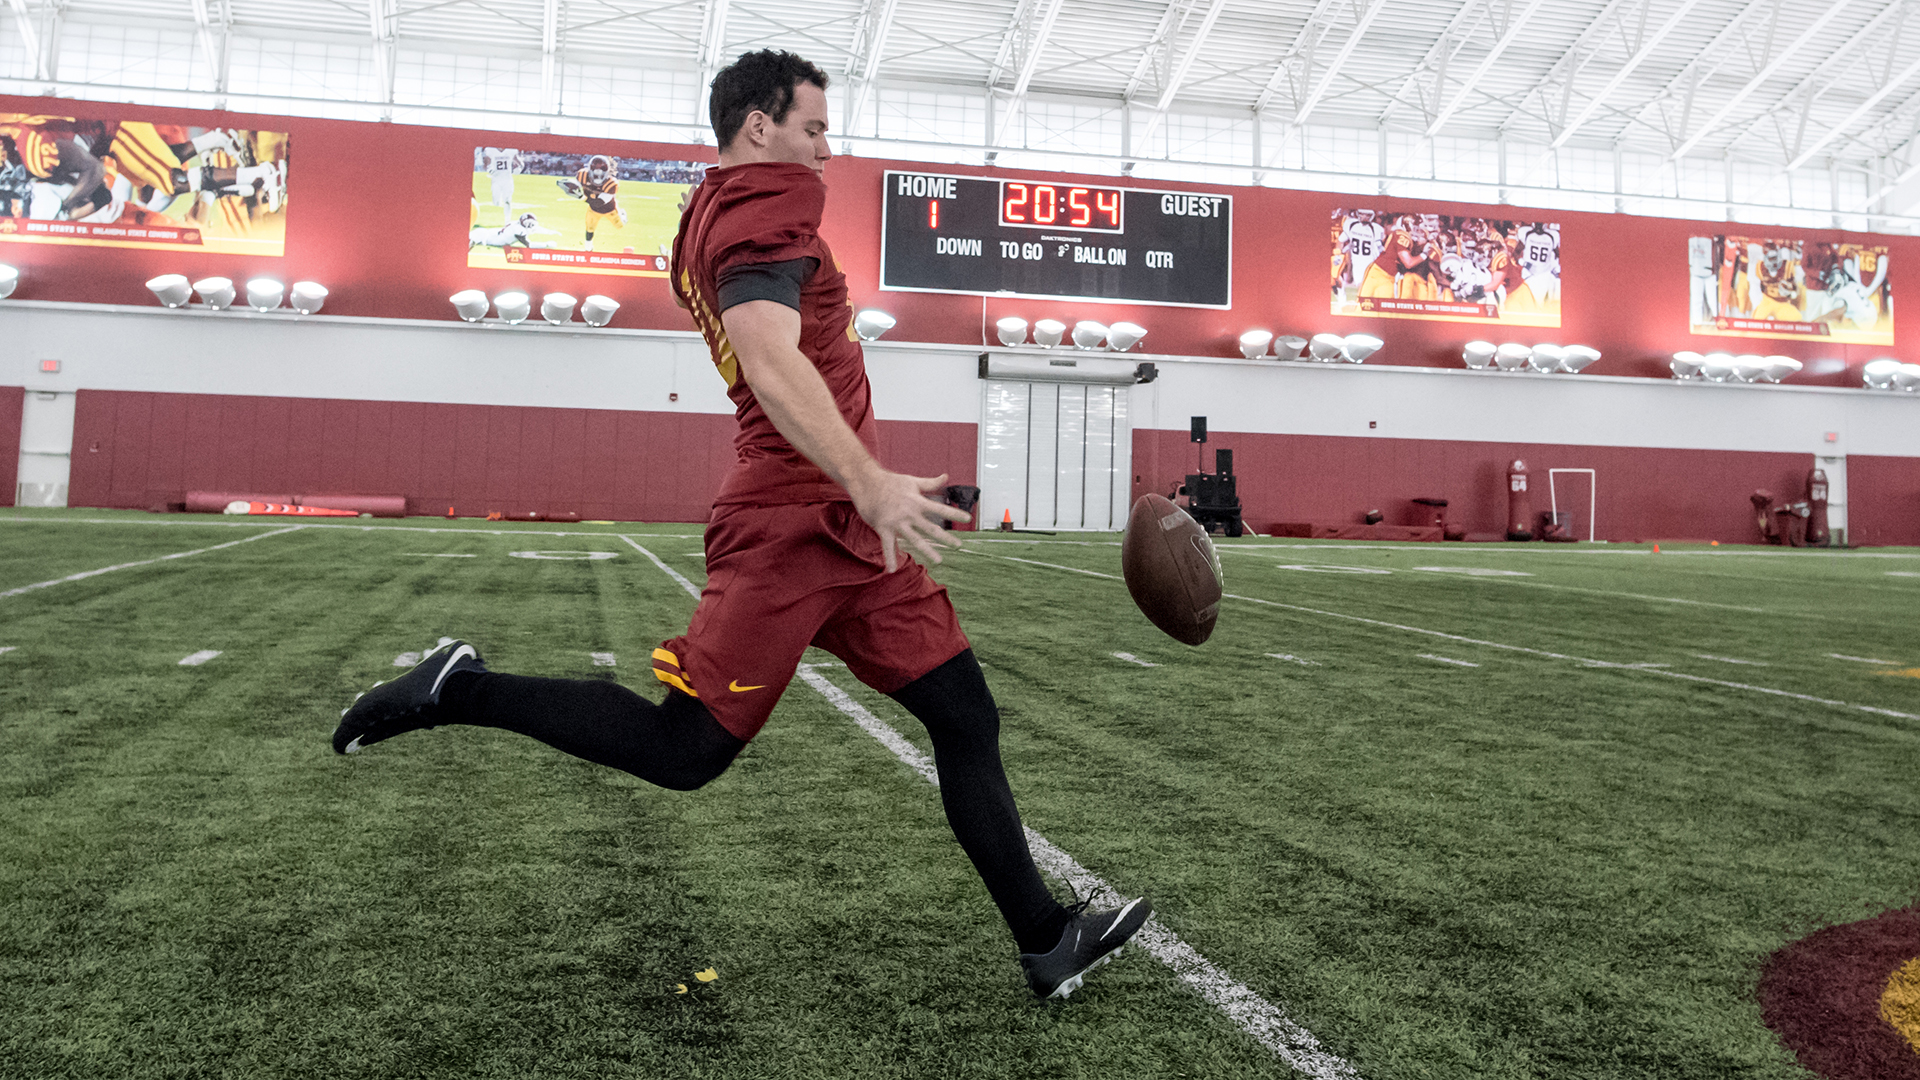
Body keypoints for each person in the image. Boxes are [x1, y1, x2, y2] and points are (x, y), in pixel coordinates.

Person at [334, 47, 1150, 1001]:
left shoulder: (710, 208)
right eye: (814, 127)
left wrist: (863, 489)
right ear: (759, 126)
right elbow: (767, 355)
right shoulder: (768, 197)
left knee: (964, 714)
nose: (827, 149)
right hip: (798, 522)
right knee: (684, 751)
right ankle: (459, 689)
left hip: (843, 528)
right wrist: (868, 480)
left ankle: (1046, 939)